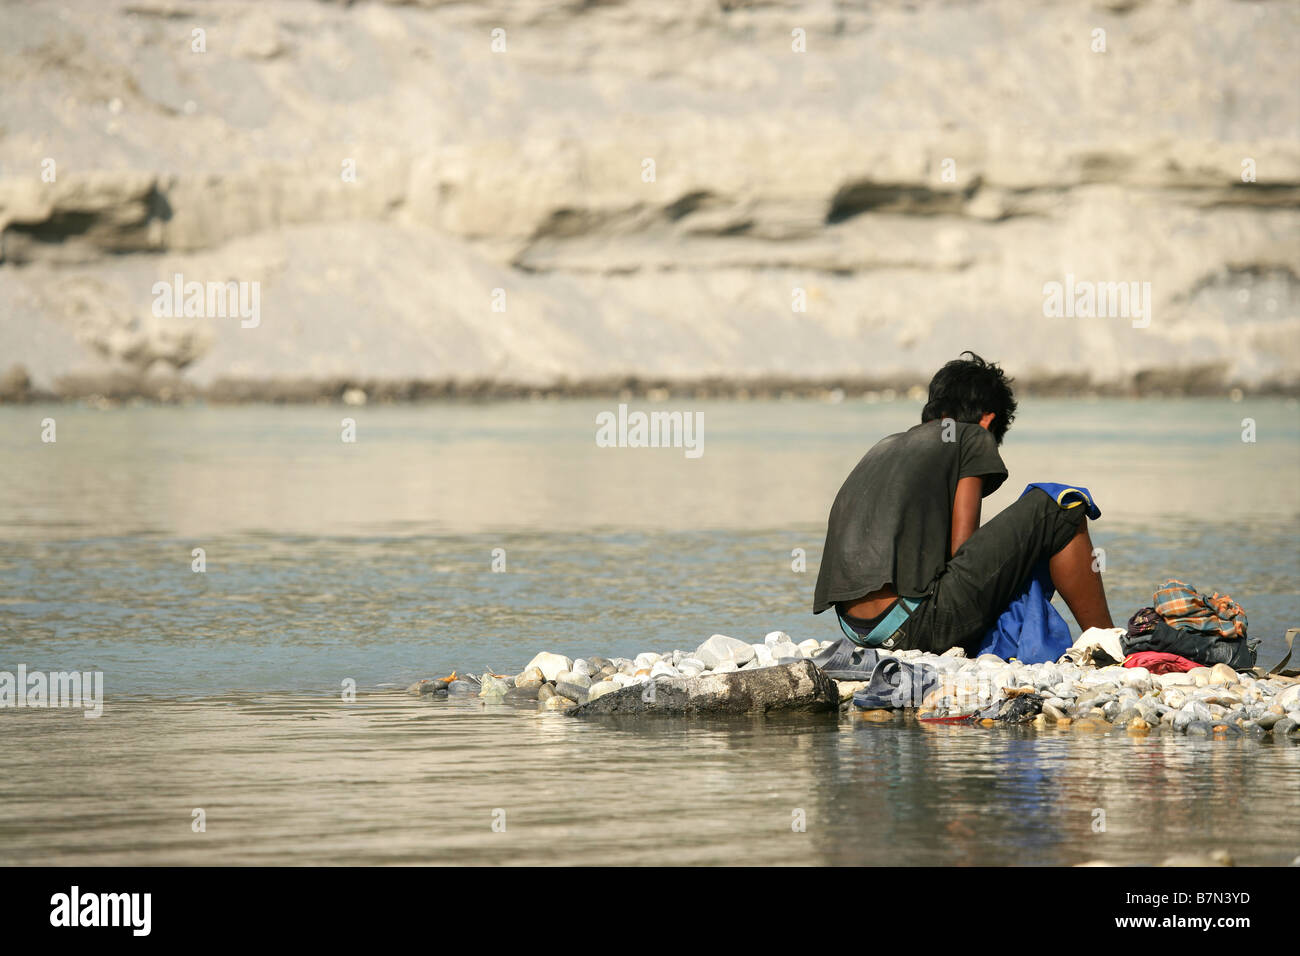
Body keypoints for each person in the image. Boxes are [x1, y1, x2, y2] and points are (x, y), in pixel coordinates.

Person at [812, 351, 1112, 654]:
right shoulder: (970, 435)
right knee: (1060, 508)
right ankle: (1105, 642)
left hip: (858, 631)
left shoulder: (884, 447)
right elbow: (962, 549)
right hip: (915, 625)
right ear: (988, 420)